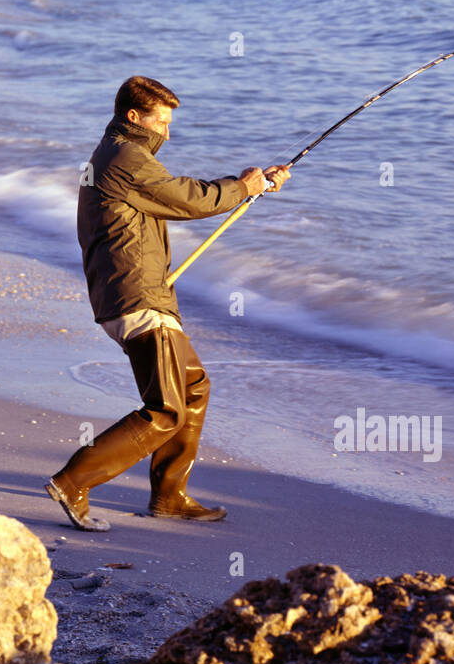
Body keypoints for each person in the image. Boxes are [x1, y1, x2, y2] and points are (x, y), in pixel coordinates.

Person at [45, 75, 290, 532]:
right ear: (133, 117)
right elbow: (184, 198)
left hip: (139, 291)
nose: (167, 133)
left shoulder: (114, 156)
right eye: (162, 122)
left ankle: (170, 496)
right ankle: (73, 481)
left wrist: (249, 187)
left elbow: (174, 197)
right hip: (136, 295)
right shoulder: (123, 157)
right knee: (165, 408)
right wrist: (243, 188)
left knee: (193, 387)